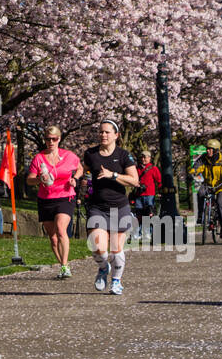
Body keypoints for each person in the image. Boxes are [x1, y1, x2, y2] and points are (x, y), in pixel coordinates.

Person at [83, 119, 140, 295]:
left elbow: (134, 181)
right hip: (98, 206)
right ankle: (102, 268)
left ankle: (116, 281)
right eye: (101, 132)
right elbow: (84, 171)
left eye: (107, 132)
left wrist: (113, 175)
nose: (103, 135)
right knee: (98, 248)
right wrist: (79, 180)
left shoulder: (124, 155)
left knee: (116, 250)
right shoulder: (90, 154)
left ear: (116, 135)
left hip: (119, 207)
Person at [27, 126, 82, 279]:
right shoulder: (39, 158)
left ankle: (65, 265)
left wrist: (75, 179)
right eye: (48, 139)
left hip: (65, 196)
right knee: (53, 237)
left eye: (54, 139)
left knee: (60, 229)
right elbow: (29, 180)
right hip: (45, 199)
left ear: (59, 139)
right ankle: (63, 265)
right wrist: (39, 179)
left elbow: (80, 168)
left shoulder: (69, 156)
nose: (51, 142)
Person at [194, 139, 222, 239]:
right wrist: (193, 171)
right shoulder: (203, 158)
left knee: (220, 203)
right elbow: (197, 166)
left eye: (210, 149)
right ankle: (200, 216)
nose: (208, 151)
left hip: (221, 185)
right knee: (200, 193)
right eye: (207, 149)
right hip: (208, 184)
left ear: (216, 150)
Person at [132, 150, 160, 240]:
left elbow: (159, 180)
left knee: (149, 214)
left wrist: (160, 191)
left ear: (149, 158)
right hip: (139, 194)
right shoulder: (137, 169)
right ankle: (138, 233)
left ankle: (148, 233)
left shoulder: (153, 168)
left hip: (149, 194)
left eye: (146, 157)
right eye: (142, 157)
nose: (144, 159)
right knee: (138, 215)